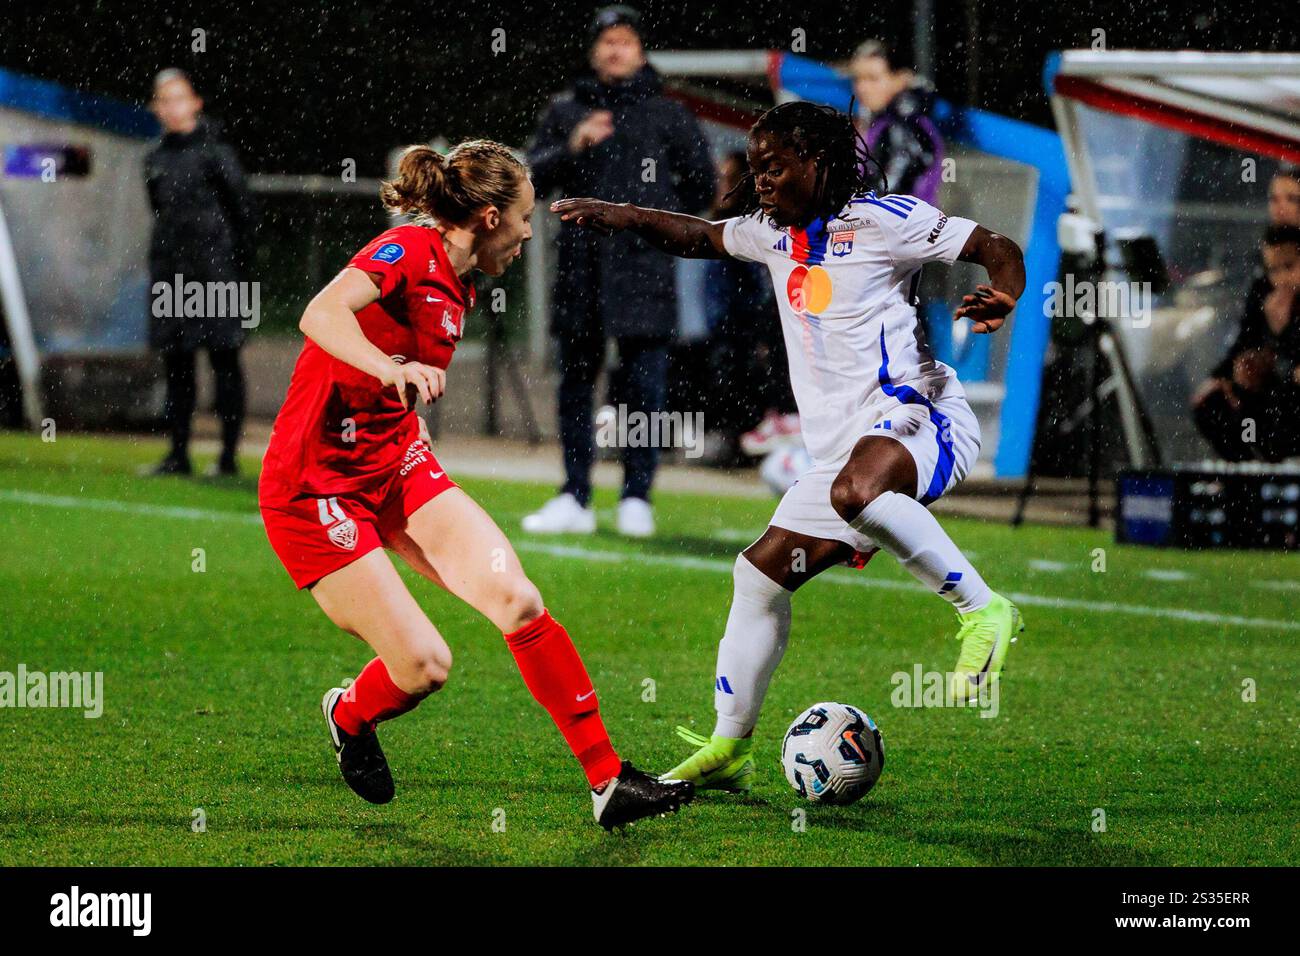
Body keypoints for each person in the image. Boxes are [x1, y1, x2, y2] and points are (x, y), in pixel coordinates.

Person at [551, 100, 1027, 791]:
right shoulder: (771, 235)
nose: (762, 178)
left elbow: (996, 247)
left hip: (923, 417)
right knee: (758, 576)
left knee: (856, 494)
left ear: (819, 161)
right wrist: (618, 213)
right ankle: (728, 747)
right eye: (757, 166)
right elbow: (697, 235)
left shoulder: (883, 222)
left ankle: (984, 609)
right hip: (842, 453)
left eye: (776, 165)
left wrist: (1004, 292)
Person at [257, 141, 693, 829]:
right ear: (489, 217)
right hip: (316, 488)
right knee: (426, 665)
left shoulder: (462, 280)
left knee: (518, 599)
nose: (527, 235)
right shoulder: (405, 251)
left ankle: (609, 782)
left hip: (396, 465)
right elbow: (320, 315)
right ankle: (349, 713)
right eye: (522, 220)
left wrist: (402, 419)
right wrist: (386, 369)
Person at [522, 4, 715, 537]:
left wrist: (653, 217)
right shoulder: (566, 111)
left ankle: (637, 497)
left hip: (645, 269)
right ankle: (575, 495)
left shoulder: (669, 113)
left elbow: (701, 185)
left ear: (641, 49)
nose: (615, 50)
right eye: (607, 41)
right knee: (576, 384)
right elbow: (529, 180)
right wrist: (572, 146)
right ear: (593, 50)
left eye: (625, 41)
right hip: (581, 266)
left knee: (645, 387)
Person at [144, 69, 255, 476]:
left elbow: (244, 214)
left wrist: (238, 272)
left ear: (195, 103)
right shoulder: (154, 158)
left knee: (224, 361)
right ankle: (178, 455)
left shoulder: (217, 154)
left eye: (179, 98)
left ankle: (227, 459)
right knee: (177, 364)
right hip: (172, 275)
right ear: (157, 108)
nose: (172, 107)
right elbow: (159, 210)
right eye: (164, 100)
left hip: (217, 275)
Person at [1192, 225, 1300, 462]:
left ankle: (1274, 466)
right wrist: (1223, 376)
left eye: (1289, 267)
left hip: (1289, 391)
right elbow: (1244, 340)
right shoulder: (1263, 291)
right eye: (1273, 270)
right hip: (1264, 390)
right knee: (1212, 405)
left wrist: (1283, 331)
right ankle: (1246, 476)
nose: (1281, 278)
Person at [850, 40, 944, 205]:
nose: (862, 87)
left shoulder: (905, 125)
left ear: (901, 78)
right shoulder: (883, 122)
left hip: (897, 227)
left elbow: (888, 194)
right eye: (858, 79)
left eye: (873, 78)